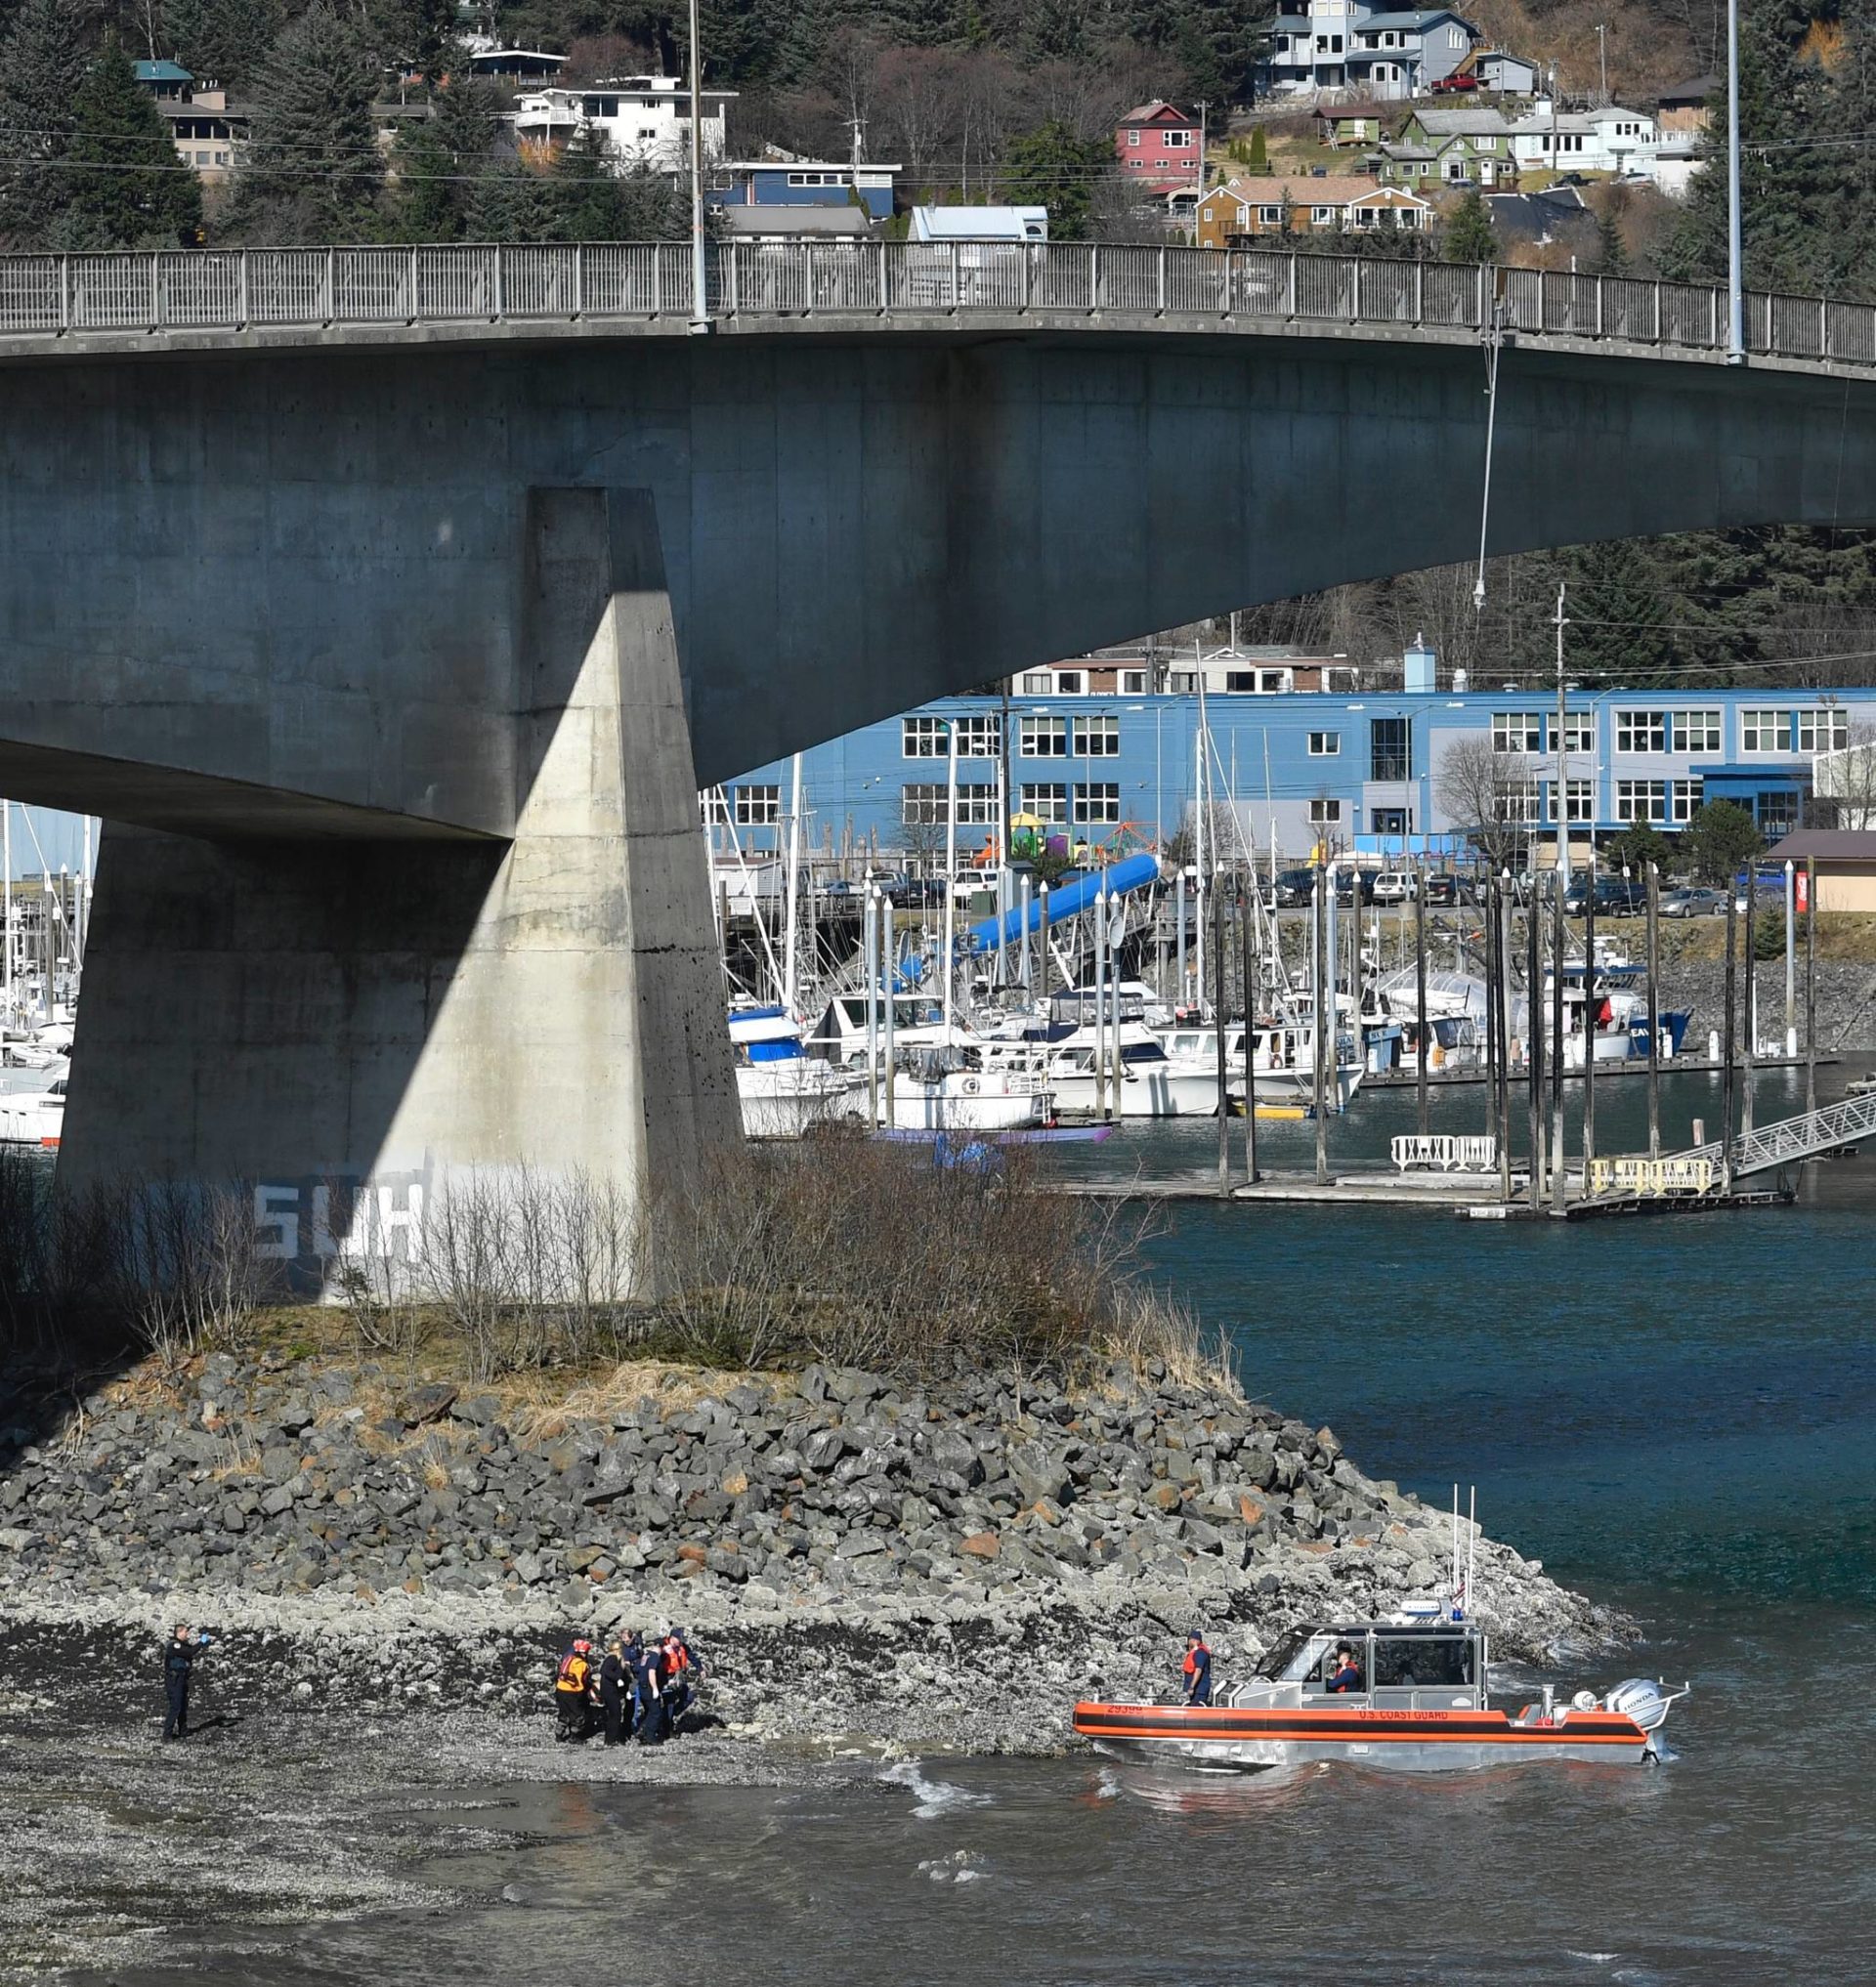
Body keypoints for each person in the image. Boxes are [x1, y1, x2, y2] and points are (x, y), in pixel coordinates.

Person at [162, 1626, 208, 1741]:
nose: (187, 1634)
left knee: (183, 1704)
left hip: (182, 1678)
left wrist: (203, 1642)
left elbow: (191, 1650)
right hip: (174, 1679)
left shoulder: (183, 1645)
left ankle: (183, 1730)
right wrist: (201, 1642)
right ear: (179, 1632)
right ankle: (167, 1734)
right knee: (176, 1705)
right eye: (185, 1632)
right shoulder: (174, 1645)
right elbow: (190, 1652)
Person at [554, 1638, 597, 1742]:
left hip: (560, 1689)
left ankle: (559, 1735)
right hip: (573, 1692)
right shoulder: (582, 1664)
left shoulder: (569, 1659)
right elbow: (581, 1681)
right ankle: (575, 1737)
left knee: (564, 1713)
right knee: (578, 1716)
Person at [661, 1628, 702, 1731]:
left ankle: (674, 1714)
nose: (681, 1641)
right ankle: (667, 1728)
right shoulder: (663, 1647)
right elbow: (656, 1664)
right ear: (672, 1638)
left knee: (689, 1696)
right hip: (667, 1678)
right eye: (679, 1638)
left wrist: (700, 1668)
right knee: (669, 1703)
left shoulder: (683, 1647)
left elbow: (692, 1657)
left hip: (679, 1677)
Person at [633, 1631, 665, 1746]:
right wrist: (655, 1688)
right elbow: (651, 1672)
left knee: (649, 1712)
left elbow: (637, 1669)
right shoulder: (655, 1657)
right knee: (655, 1712)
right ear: (660, 1647)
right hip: (648, 1688)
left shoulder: (645, 1656)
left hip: (642, 1686)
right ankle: (649, 1737)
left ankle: (643, 1732)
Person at [598, 1639, 630, 1747]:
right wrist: (617, 1679)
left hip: (611, 1690)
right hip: (609, 1690)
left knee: (614, 1714)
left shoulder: (617, 1660)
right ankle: (611, 1740)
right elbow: (605, 1671)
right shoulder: (612, 1659)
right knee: (615, 1714)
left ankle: (611, 1739)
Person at [1181, 1629, 1213, 1708]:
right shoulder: (1195, 1652)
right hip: (1196, 1690)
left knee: (1197, 1713)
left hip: (1199, 1690)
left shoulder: (1200, 1653)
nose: (1188, 1642)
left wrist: (1192, 1687)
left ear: (1193, 1640)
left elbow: (1198, 1670)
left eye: (1189, 1640)